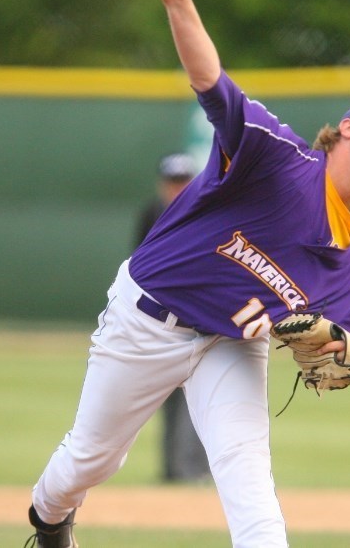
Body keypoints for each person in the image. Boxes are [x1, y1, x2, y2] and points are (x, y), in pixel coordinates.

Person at [25, 0, 350, 548]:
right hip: (148, 318)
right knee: (91, 459)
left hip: (229, 346)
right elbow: (210, 80)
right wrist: (177, 0)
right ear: (347, 128)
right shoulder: (274, 156)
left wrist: (338, 351)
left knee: (250, 481)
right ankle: (50, 519)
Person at [135, 152, 213, 484]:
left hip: (198, 320)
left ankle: (192, 471)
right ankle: (173, 470)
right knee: (166, 398)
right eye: (172, 182)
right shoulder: (152, 213)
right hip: (158, 321)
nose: (177, 188)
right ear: (162, 184)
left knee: (199, 398)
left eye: (183, 181)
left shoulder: (207, 212)